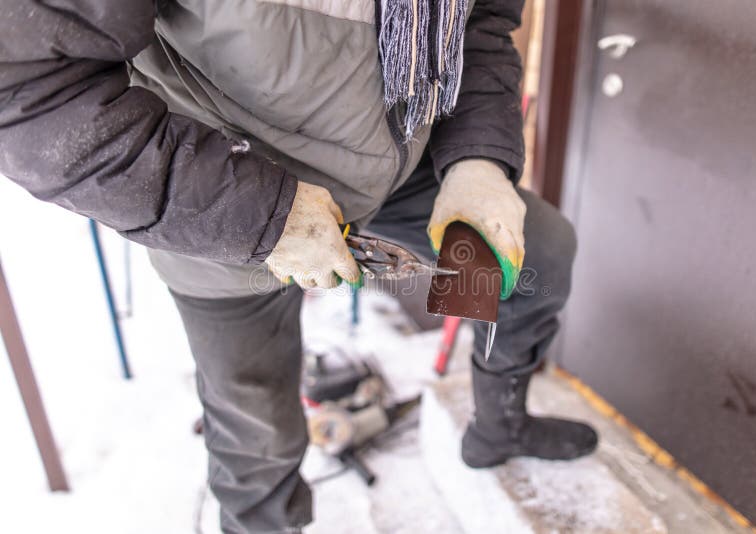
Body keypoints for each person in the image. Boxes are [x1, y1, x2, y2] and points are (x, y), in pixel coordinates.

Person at [0, 0, 597, 532]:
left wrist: (478, 160)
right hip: (224, 192)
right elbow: (26, 93)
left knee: (538, 253)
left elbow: (482, 24)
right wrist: (262, 216)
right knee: (258, 435)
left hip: (396, 162)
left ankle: (499, 427)